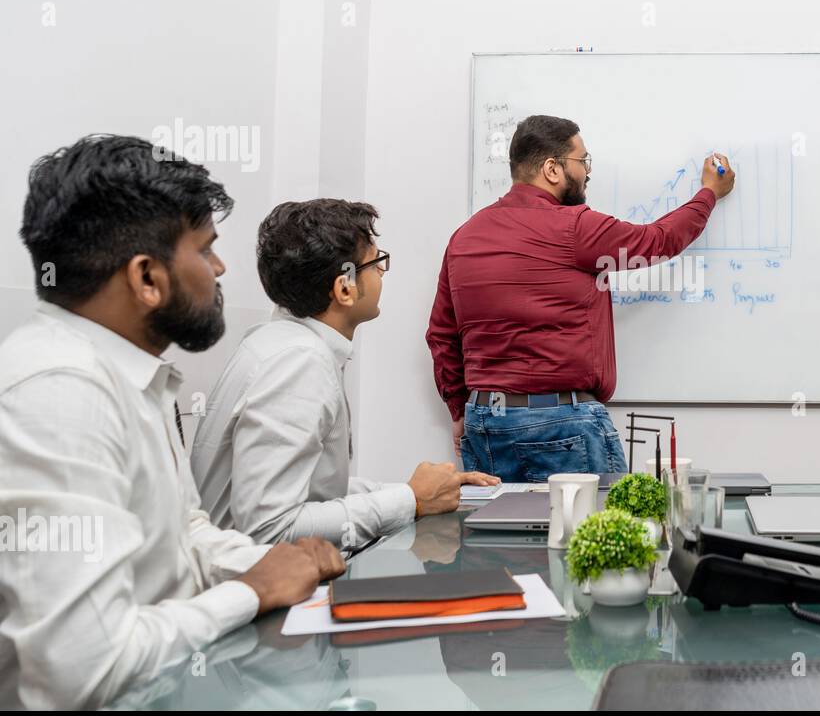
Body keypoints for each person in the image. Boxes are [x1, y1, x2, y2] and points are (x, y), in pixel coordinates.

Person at [0, 135, 342, 709]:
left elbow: (185, 535)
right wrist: (251, 591)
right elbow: (84, 671)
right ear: (147, 278)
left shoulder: (128, 373)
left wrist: (274, 561)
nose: (220, 267)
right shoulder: (62, 393)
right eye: (205, 249)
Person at [426, 114, 735, 483]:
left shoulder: (464, 237)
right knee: (595, 537)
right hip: (562, 425)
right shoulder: (575, 227)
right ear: (552, 169)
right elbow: (658, 240)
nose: (587, 172)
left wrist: (460, 412)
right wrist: (709, 193)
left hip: (484, 424)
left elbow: (442, 334)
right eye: (582, 161)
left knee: (496, 538)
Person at [193, 199, 499, 548]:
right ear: (344, 288)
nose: (382, 273)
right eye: (377, 262)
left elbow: (311, 488)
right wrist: (410, 500)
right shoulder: (299, 364)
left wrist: (415, 492)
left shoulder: (280, 345)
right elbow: (270, 530)